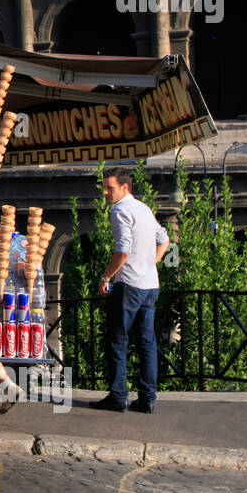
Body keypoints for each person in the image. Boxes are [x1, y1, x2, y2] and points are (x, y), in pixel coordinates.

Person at [90, 170, 169, 413]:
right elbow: (164, 239)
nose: (105, 192)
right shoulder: (143, 208)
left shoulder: (120, 210)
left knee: (118, 340)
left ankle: (118, 396)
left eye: (109, 188)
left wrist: (106, 276)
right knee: (147, 342)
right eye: (104, 187)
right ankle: (147, 398)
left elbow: (123, 250)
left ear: (124, 188)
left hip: (129, 285)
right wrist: (149, 263)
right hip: (150, 284)